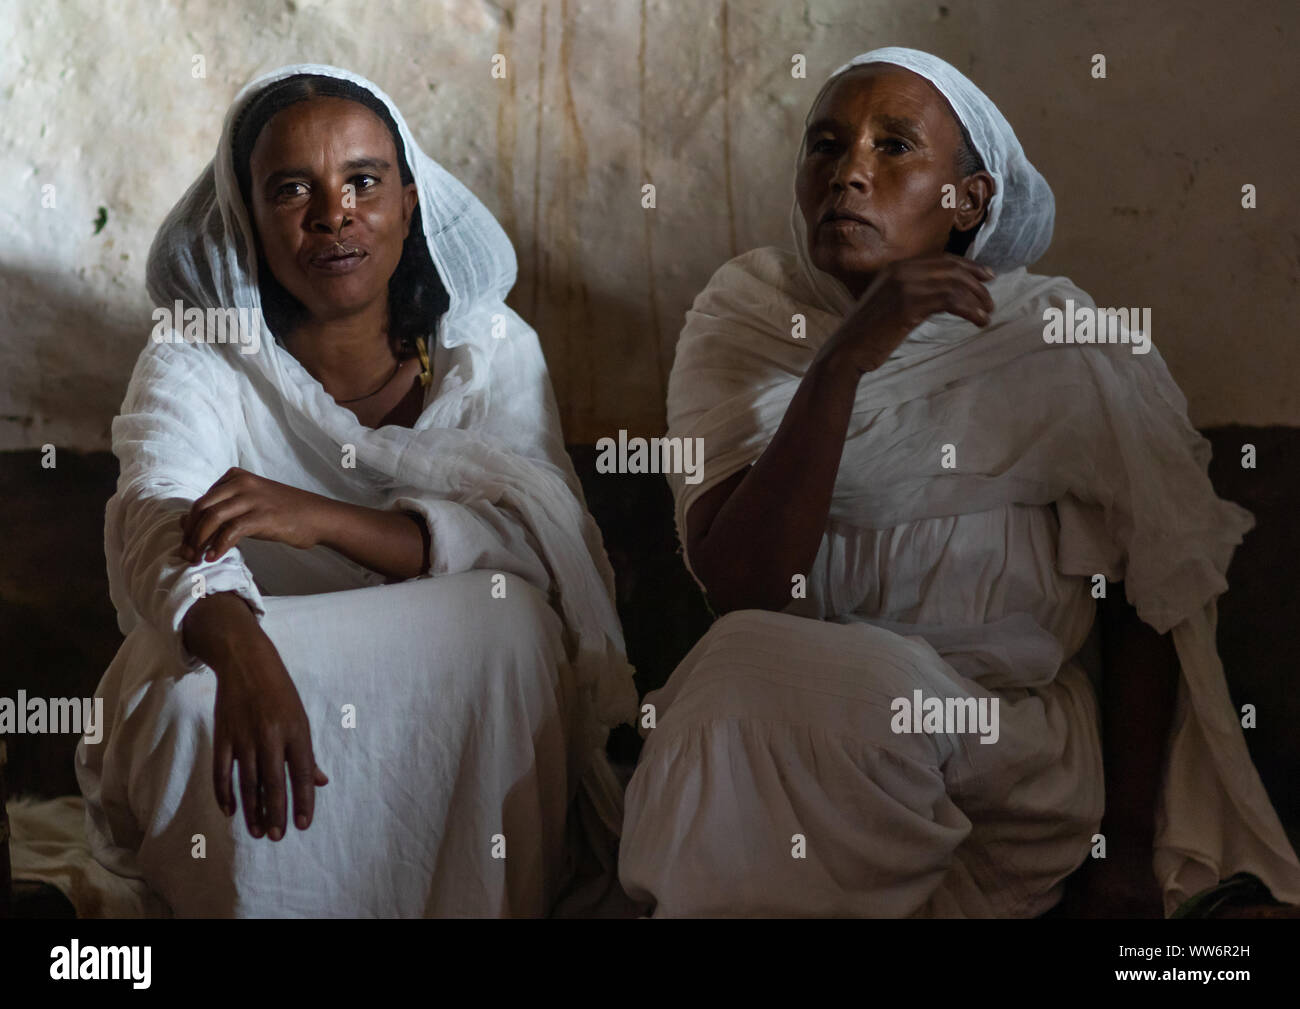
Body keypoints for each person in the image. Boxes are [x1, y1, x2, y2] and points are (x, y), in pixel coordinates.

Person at [618, 46, 1300, 917]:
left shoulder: (1058, 341)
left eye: (894, 146)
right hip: (785, 730)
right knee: (737, 674)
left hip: (1000, 754)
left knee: (774, 686)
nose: (849, 175)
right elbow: (743, 584)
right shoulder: (747, 317)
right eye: (824, 147)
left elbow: (1150, 600)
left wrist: (1125, 850)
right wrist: (846, 359)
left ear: (969, 200)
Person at [76, 64, 637, 917]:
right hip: (257, 642)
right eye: (292, 190)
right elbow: (159, 513)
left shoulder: (484, 348)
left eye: (363, 182)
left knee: (509, 619)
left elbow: (530, 542)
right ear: (251, 220)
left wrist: (319, 519)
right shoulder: (200, 350)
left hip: (454, 661)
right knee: (186, 687)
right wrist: (245, 652)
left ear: (408, 203)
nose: (332, 215)